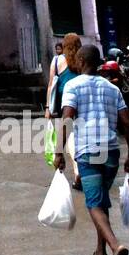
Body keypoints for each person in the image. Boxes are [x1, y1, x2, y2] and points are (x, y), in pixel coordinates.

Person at [57, 44, 129, 255]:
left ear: (81, 61)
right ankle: (100, 253)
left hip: (89, 151)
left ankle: (116, 247)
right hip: (111, 151)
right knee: (101, 201)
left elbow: (67, 117)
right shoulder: (111, 88)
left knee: (93, 204)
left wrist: (59, 151)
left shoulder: (72, 85)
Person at [46, 34, 83, 188]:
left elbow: (50, 85)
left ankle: (78, 171)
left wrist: (48, 107)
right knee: (80, 133)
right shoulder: (82, 59)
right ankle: (81, 169)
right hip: (81, 100)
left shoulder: (57, 61)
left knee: (70, 136)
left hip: (65, 104)